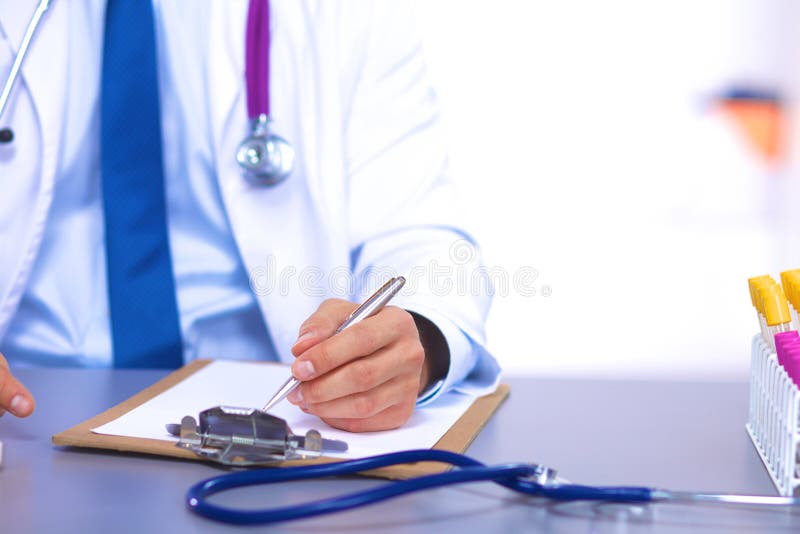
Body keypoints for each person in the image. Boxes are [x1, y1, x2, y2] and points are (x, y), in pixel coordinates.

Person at [0, 0, 500, 431]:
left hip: (267, 415)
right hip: (24, 413)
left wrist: (415, 337)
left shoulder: (343, 13)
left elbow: (421, 239)